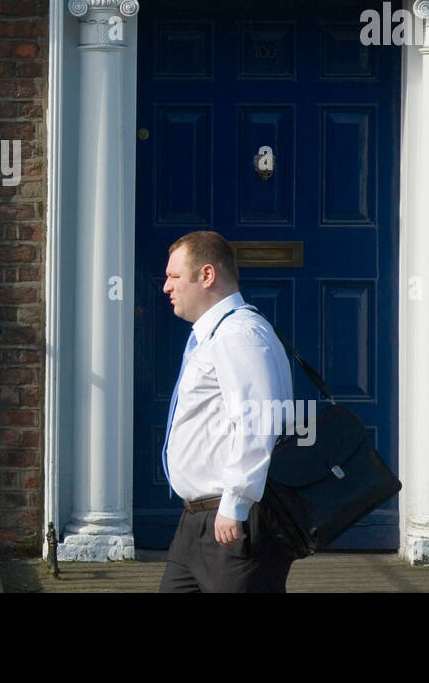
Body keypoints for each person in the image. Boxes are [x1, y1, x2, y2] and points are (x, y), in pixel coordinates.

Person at [158, 231, 295, 593]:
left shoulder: (239, 335)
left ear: (206, 275)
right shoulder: (217, 336)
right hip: (196, 523)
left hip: (231, 524)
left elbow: (257, 421)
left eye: (174, 276)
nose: (166, 287)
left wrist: (235, 503)